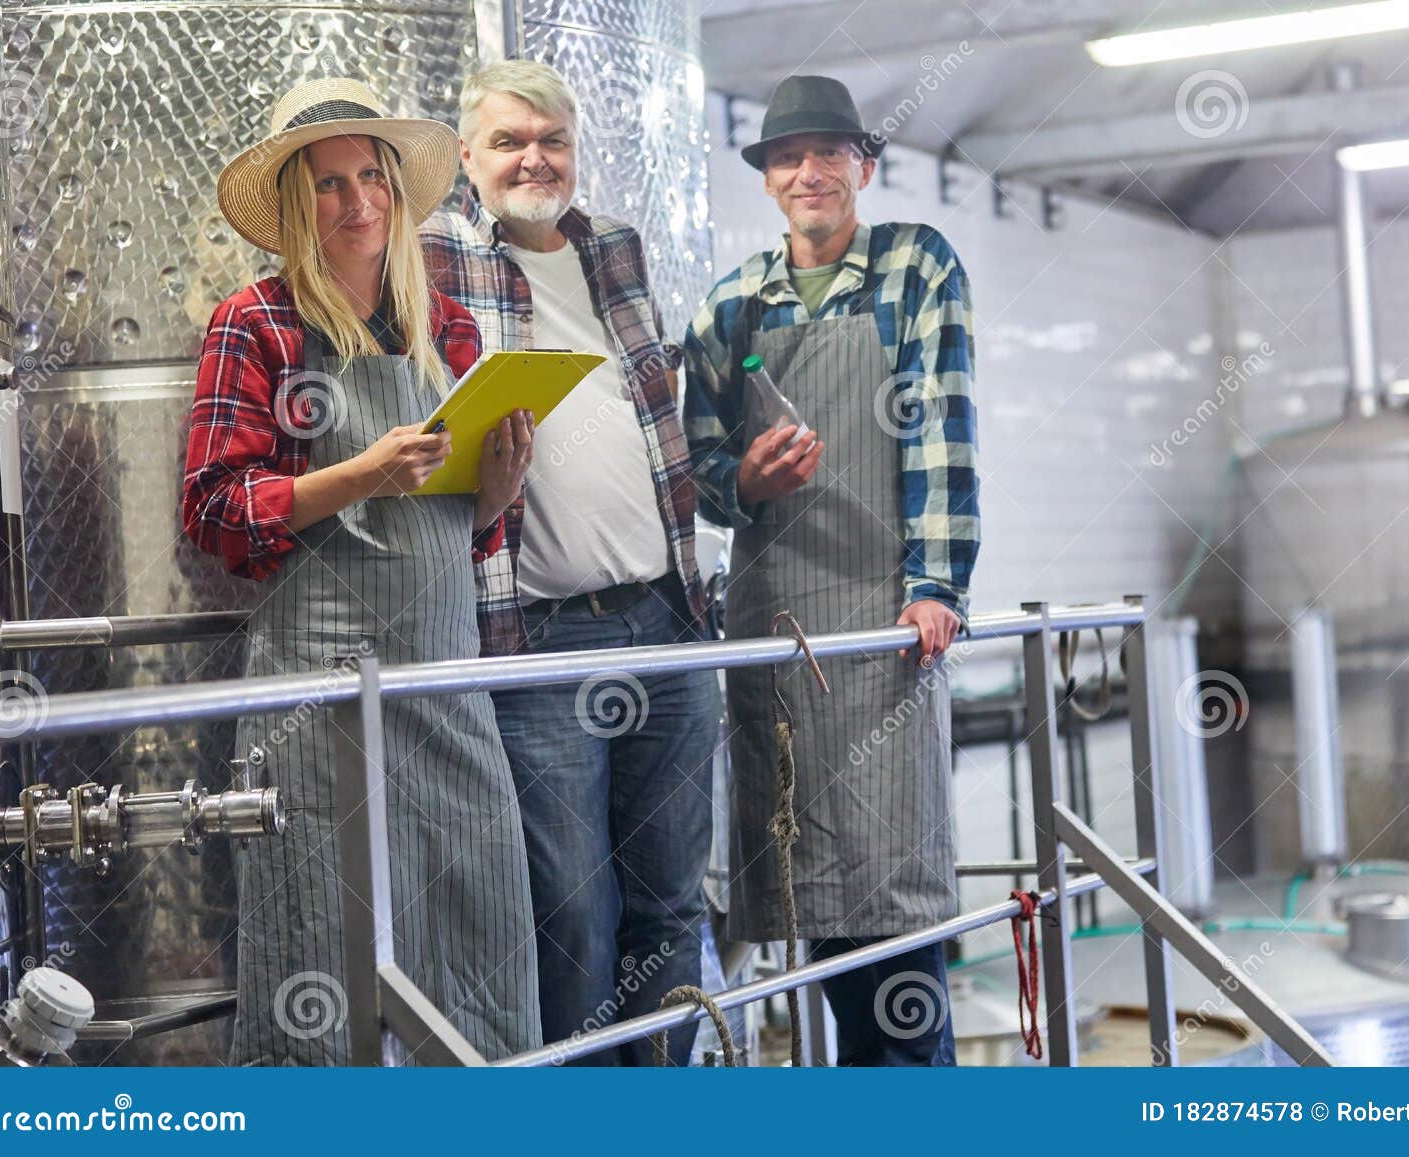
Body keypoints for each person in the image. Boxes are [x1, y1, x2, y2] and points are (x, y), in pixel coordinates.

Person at [183, 77, 541, 1065]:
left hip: (445, 692)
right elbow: (212, 511)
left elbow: (455, 539)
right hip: (318, 710)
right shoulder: (255, 325)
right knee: (320, 966)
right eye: (331, 184)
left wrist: (498, 489)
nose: (358, 202)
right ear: (300, 205)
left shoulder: (449, 334)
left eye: (371, 176)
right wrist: (357, 474)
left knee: (480, 954)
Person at [419, 60, 718, 1065]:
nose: (532, 159)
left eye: (550, 139)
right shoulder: (430, 257)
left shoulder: (613, 251)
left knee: (674, 905)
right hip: (541, 635)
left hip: (670, 619)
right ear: (467, 153)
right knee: (574, 916)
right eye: (508, 140)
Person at [683, 75, 980, 1066]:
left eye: (826, 153)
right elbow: (697, 476)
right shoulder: (728, 307)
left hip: (883, 625)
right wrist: (747, 483)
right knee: (806, 886)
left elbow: (941, 426)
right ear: (766, 178)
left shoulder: (916, 266)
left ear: (864, 163)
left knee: (889, 897)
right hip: (775, 629)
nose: (806, 171)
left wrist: (934, 582)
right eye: (784, 157)